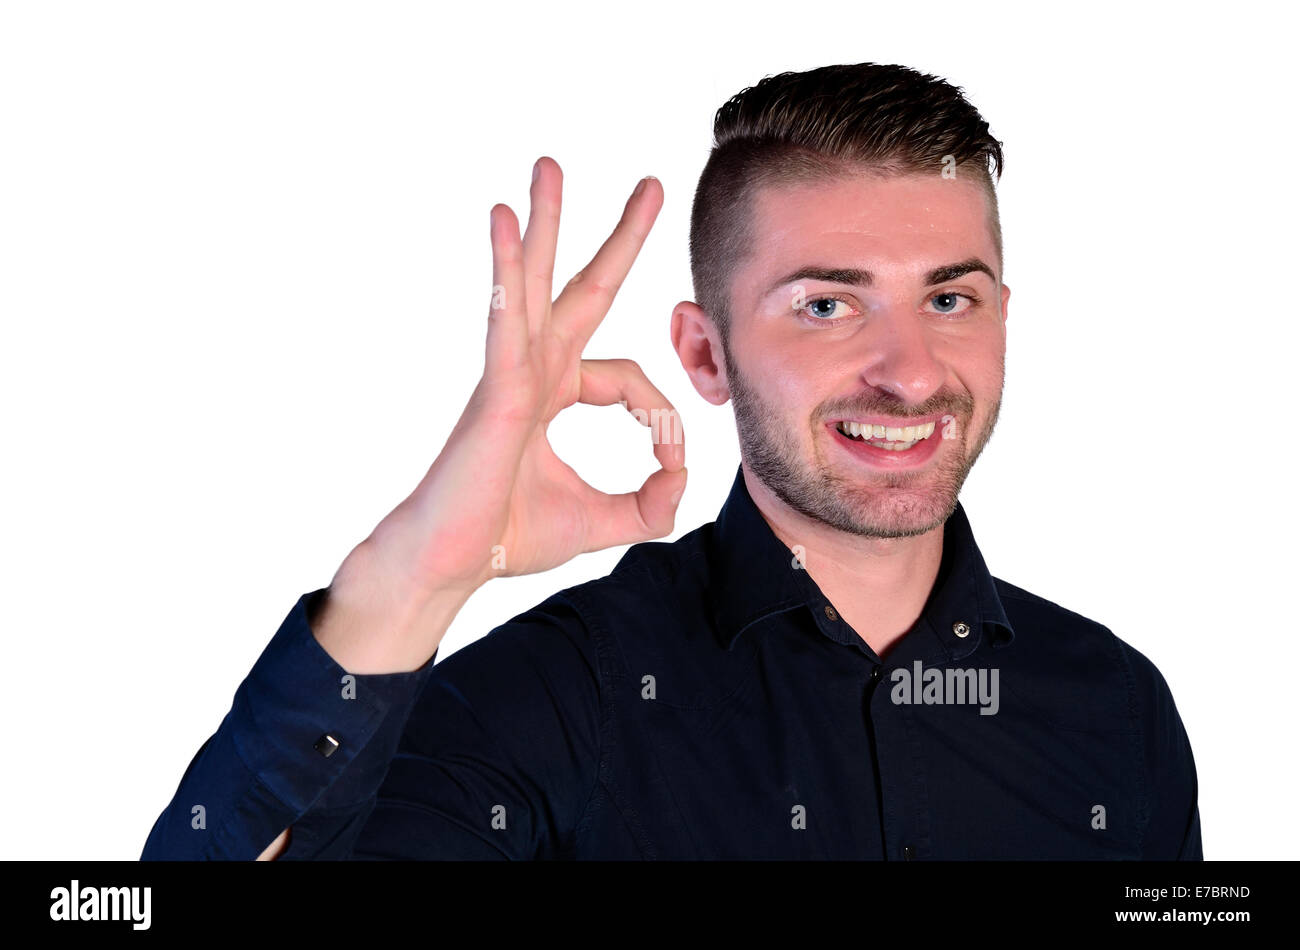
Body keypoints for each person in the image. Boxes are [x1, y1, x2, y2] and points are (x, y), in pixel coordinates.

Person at [142, 62, 1201, 861]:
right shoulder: (552, 697)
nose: (910, 373)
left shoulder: (1116, 705)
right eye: (827, 305)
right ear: (704, 350)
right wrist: (411, 576)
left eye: (948, 298)